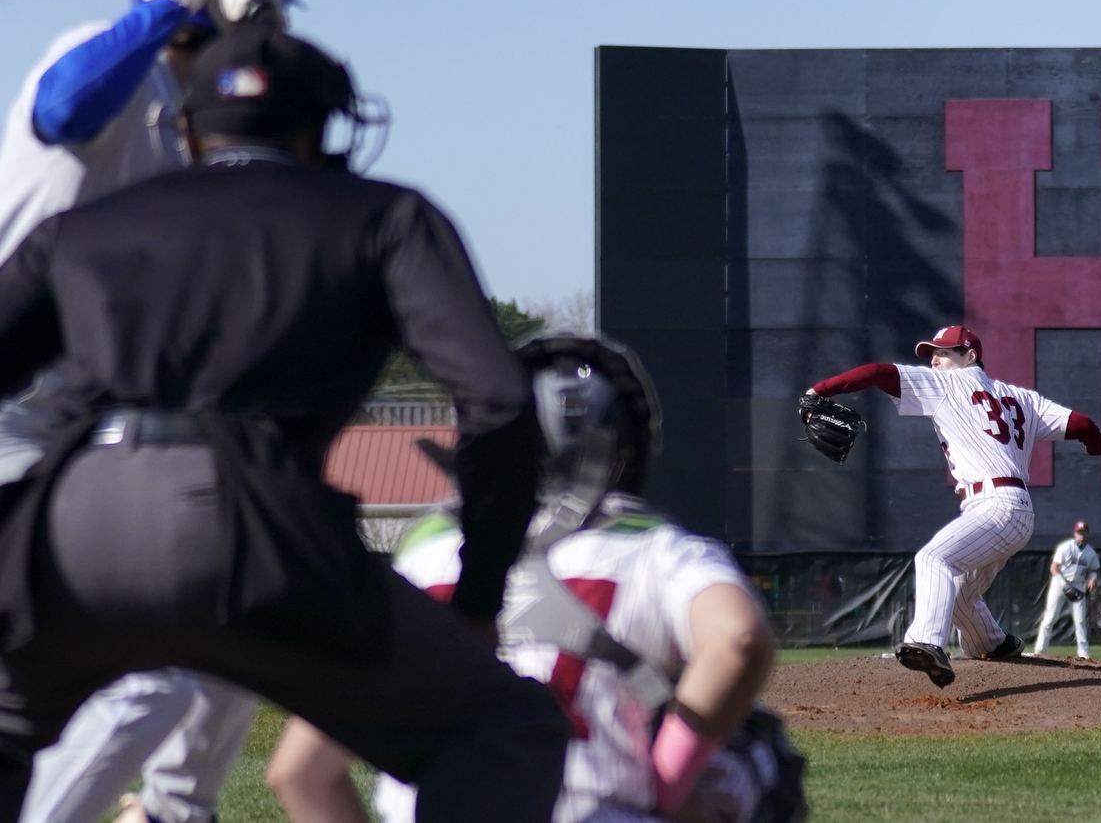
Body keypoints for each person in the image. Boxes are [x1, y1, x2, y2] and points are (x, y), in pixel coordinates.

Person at [0, 26, 566, 823]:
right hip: (266, 525)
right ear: (325, 129)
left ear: (188, 130)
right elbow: (501, 405)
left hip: (79, 515)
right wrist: (477, 596)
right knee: (503, 727)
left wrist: (0, 555)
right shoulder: (385, 216)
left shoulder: (91, 226)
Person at [0, 0, 290, 823]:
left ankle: (174, 815)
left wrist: (256, 38)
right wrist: (167, 11)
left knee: (236, 626)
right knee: (151, 684)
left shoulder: (199, 133)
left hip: (76, 453)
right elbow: (65, 105)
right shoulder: (107, 62)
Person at [267, 334, 798, 823]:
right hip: (597, 809)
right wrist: (666, 784)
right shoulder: (652, 546)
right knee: (751, 759)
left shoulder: (421, 552)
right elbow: (738, 638)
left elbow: (299, 774)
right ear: (624, 447)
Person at [804, 325, 1101, 688]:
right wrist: (1096, 444)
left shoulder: (948, 385)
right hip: (1014, 509)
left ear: (970, 356)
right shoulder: (1021, 398)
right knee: (962, 593)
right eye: (931, 352)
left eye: (944, 352)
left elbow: (876, 373)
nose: (934, 359)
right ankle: (992, 643)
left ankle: (926, 642)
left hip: (995, 505)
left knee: (933, 559)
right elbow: (1081, 423)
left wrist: (818, 391)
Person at [1033, 521, 1100, 659]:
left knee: (1080, 620)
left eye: (1084, 533)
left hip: (1077, 584)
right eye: (1079, 532)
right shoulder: (1065, 547)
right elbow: (1053, 568)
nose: (1081, 535)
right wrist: (1064, 585)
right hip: (1060, 583)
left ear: (1087, 534)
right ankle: (1040, 650)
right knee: (1050, 617)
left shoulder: (1091, 553)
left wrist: (1093, 578)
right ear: (1075, 533)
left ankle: (1084, 654)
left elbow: (1093, 569)